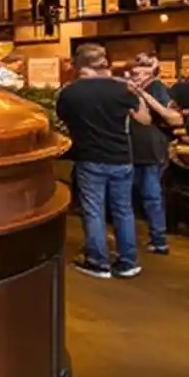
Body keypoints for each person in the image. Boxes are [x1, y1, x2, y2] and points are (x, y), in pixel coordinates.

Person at [56, 43, 152, 279]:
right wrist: (137, 94)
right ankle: (127, 263)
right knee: (123, 211)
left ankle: (98, 263)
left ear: (79, 66)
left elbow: (64, 120)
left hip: (90, 158)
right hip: (122, 158)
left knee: (93, 211)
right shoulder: (121, 90)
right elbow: (145, 119)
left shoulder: (69, 93)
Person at [129, 54, 184, 256]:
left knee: (151, 195)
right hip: (131, 150)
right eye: (135, 71)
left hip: (151, 151)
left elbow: (175, 119)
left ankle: (159, 240)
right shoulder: (131, 88)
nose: (136, 75)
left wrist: (143, 95)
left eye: (142, 70)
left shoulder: (157, 87)